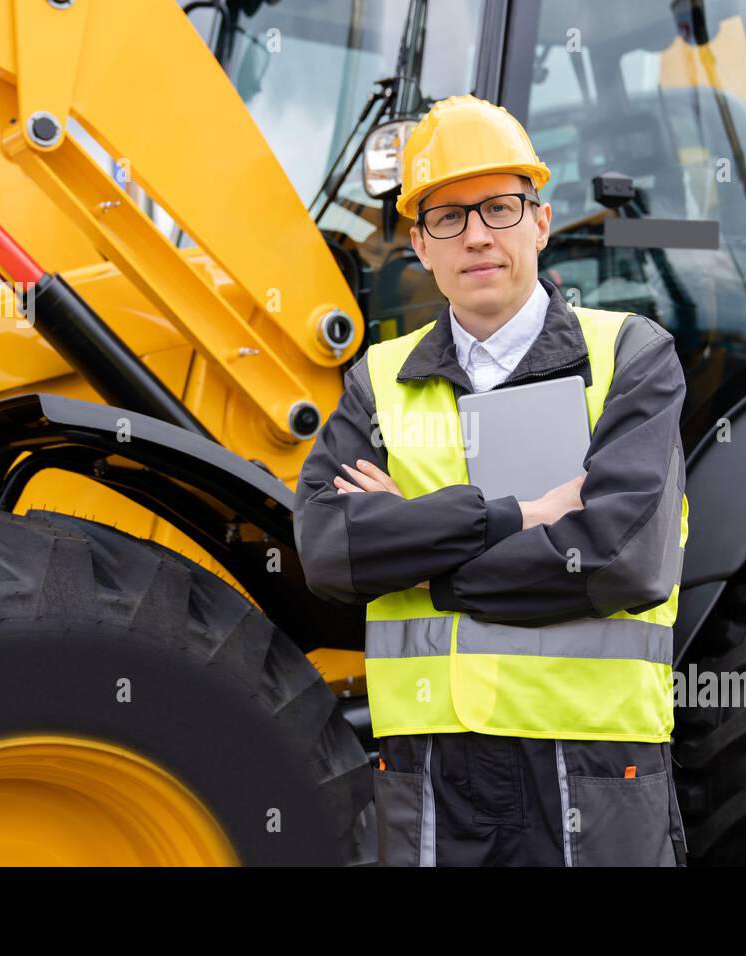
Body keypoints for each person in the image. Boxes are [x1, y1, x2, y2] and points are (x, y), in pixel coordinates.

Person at [294, 94, 689, 866]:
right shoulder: (380, 381)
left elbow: (619, 558)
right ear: (419, 243)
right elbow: (328, 553)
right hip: (430, 771)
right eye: (449, 216)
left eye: (500, 208)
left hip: (592, 766)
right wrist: (519, 515)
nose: (477, 235)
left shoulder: (630, 358)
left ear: (539, 222)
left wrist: (418, 556)